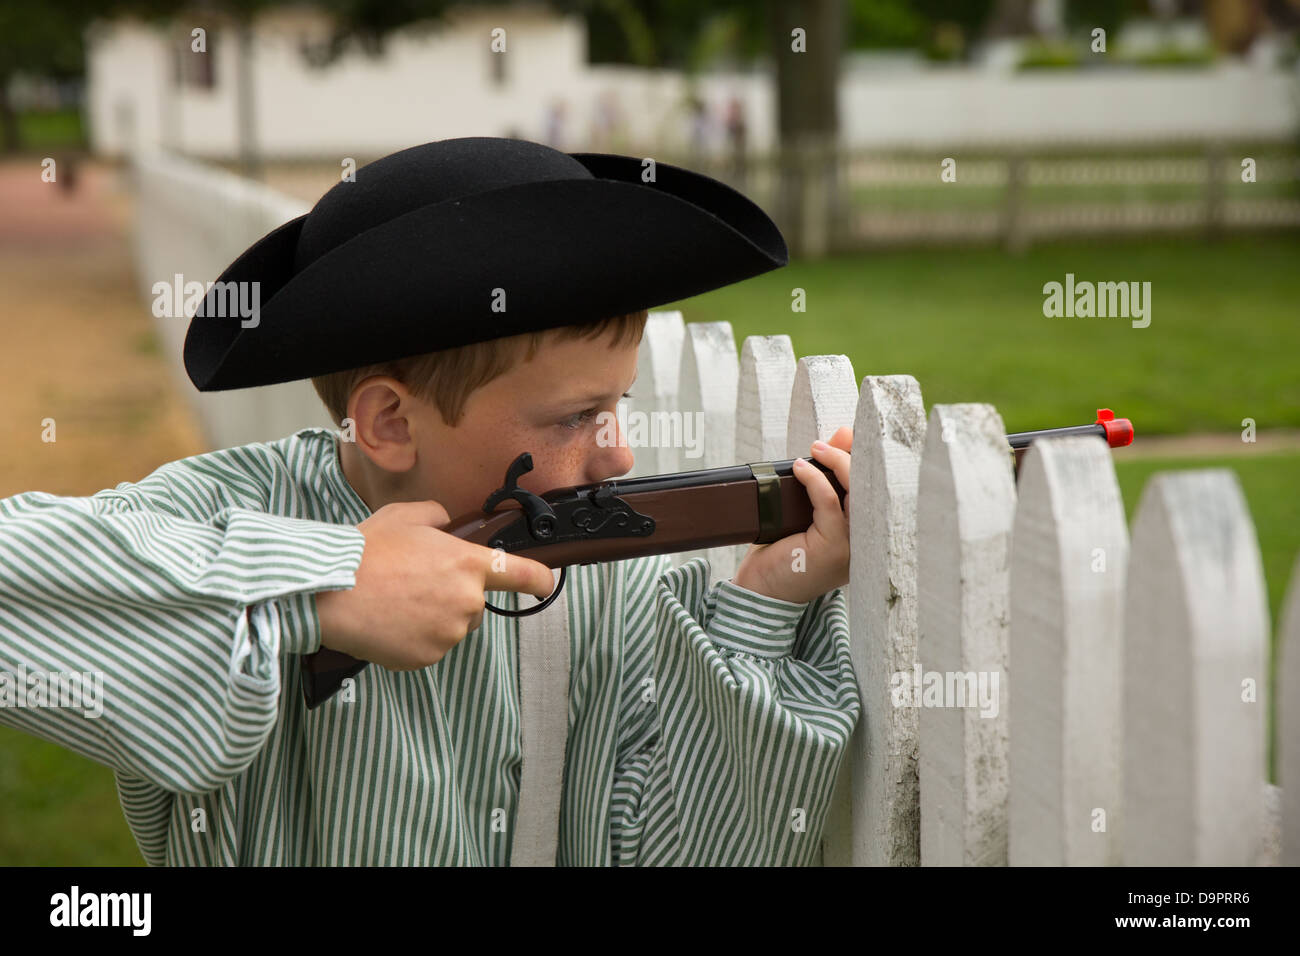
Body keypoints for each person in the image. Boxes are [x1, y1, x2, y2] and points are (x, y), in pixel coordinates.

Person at [0, 136, 858, 866]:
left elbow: (660, 847)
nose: (621, 453)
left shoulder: (604, 582)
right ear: (387, 423)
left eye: (618, 405)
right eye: (577, 417)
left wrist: (766, 600)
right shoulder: (234, 510)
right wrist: (324, 587)